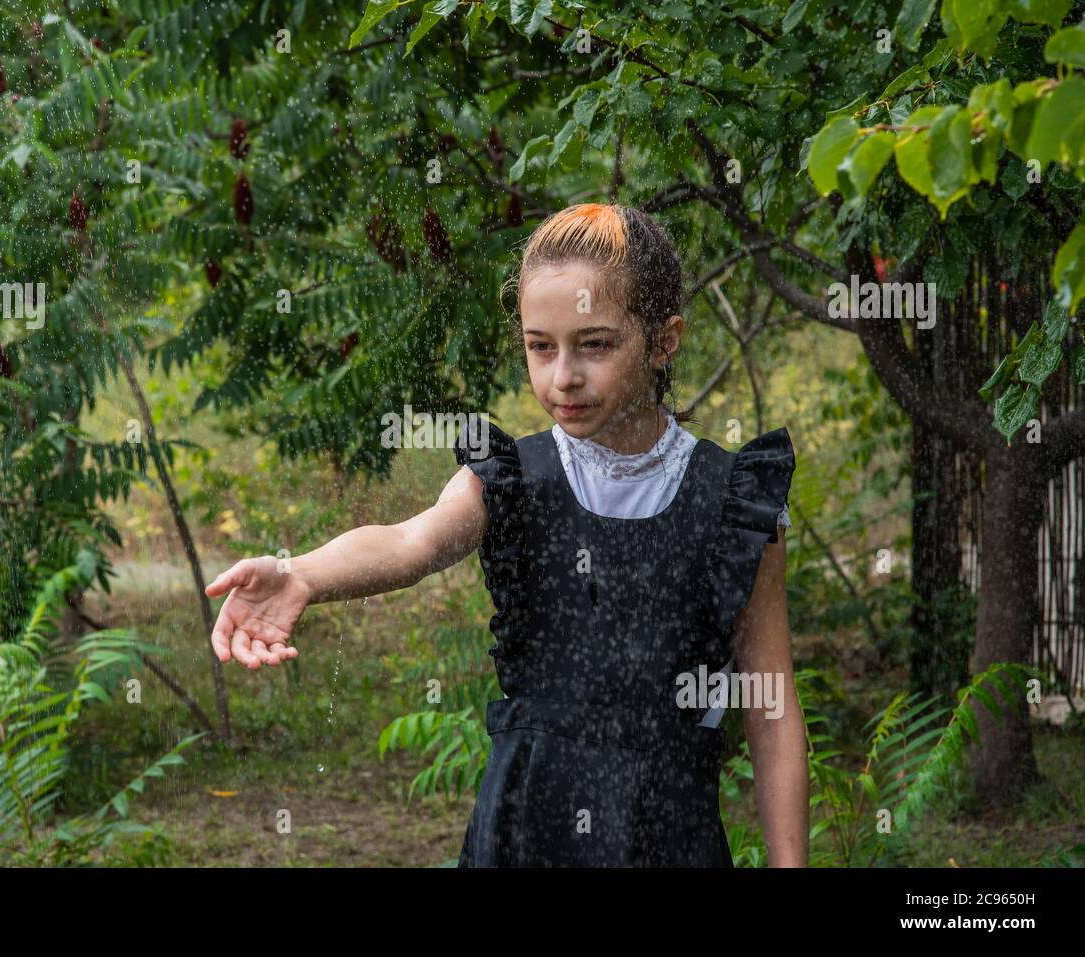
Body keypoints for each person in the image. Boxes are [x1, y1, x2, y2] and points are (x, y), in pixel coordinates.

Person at [204, 202, 809, 867]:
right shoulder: (516, 478)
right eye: (539, 345)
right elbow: (412, 543)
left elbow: (771, 707)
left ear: (665, 339)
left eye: (595, 343)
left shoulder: (733, 502)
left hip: (667, 835)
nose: (562, 376)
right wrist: (304, 574)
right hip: (527, 834)